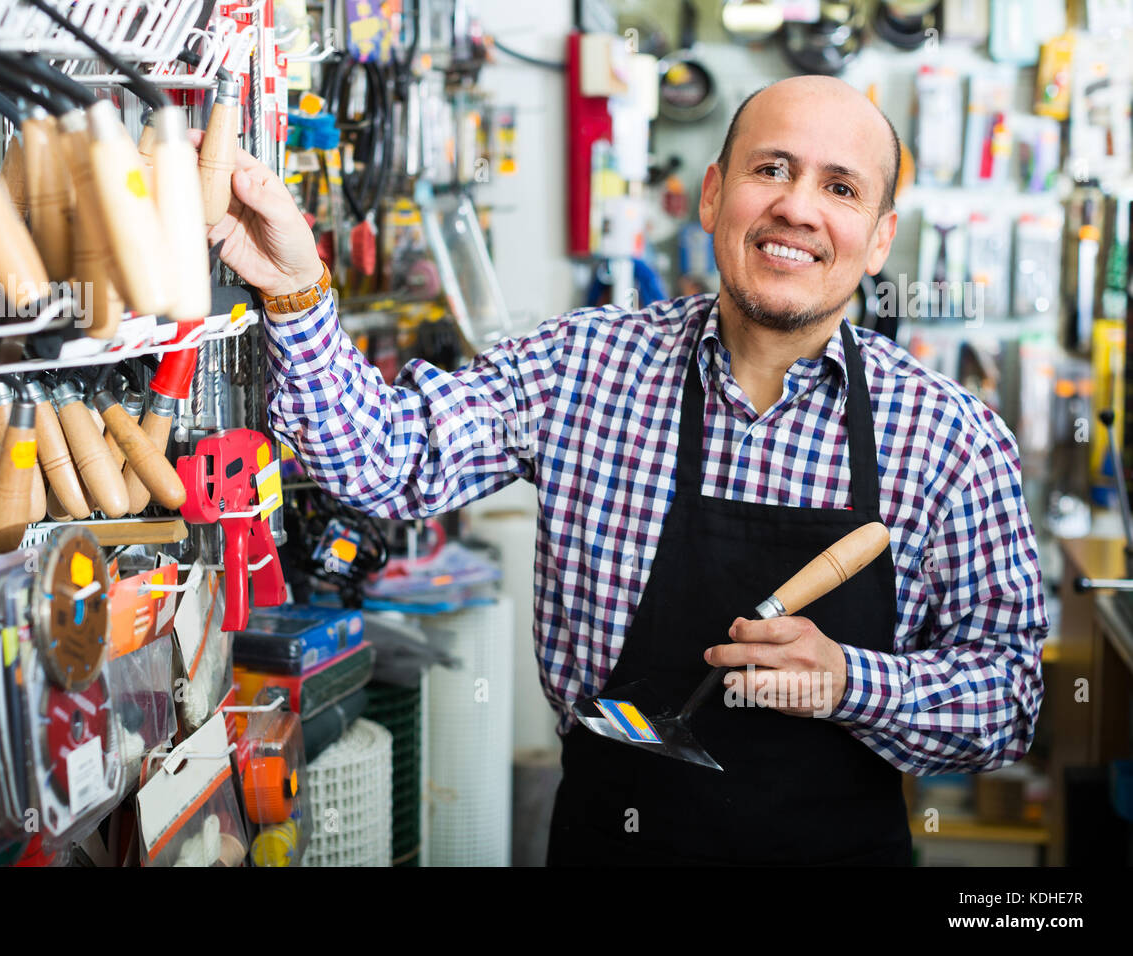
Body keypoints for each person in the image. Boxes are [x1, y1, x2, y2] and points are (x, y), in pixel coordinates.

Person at [202, 74, 1049, 866]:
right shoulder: (587, 368)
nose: (797, 207)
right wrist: (295, 287)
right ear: (714, 194)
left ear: (879, 239)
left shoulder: (950, 437)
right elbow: (378, 462)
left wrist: (850, 681)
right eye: (772, 169)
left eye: (840, 188)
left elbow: (1010, 703)